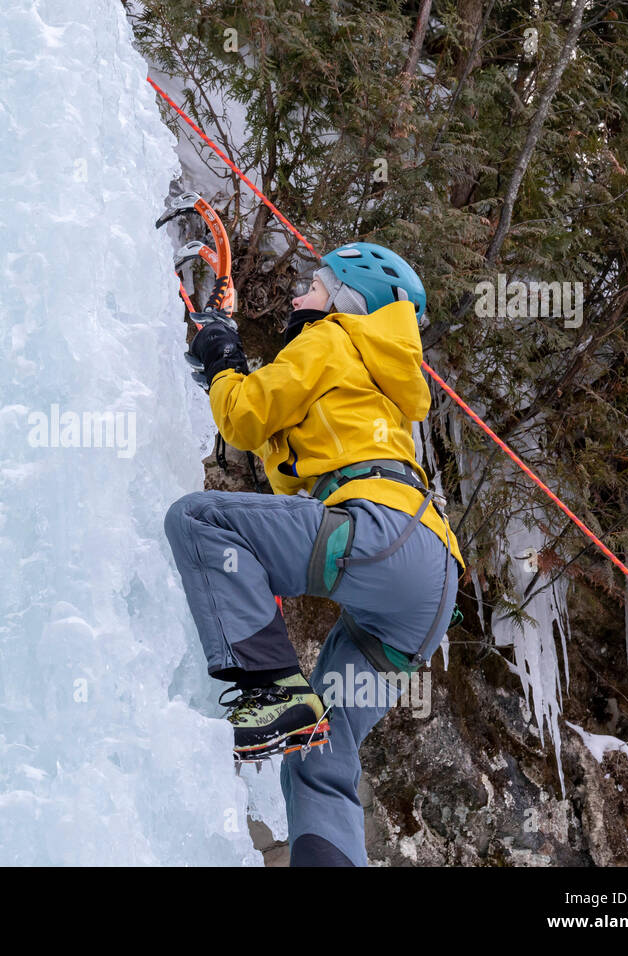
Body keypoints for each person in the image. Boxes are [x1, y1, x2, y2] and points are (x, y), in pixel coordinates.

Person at [164, 242, 464, 867]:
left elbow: (244, 417)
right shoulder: (377, 374)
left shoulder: (330, 339)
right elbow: (287, 480)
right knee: (317, 753)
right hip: (428, 584)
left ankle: (270, 687)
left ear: (345, 300)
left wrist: (222, 360)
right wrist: (230, 366)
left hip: (380, 535)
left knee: (200, 520)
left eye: (315, 285)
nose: (301, 294)